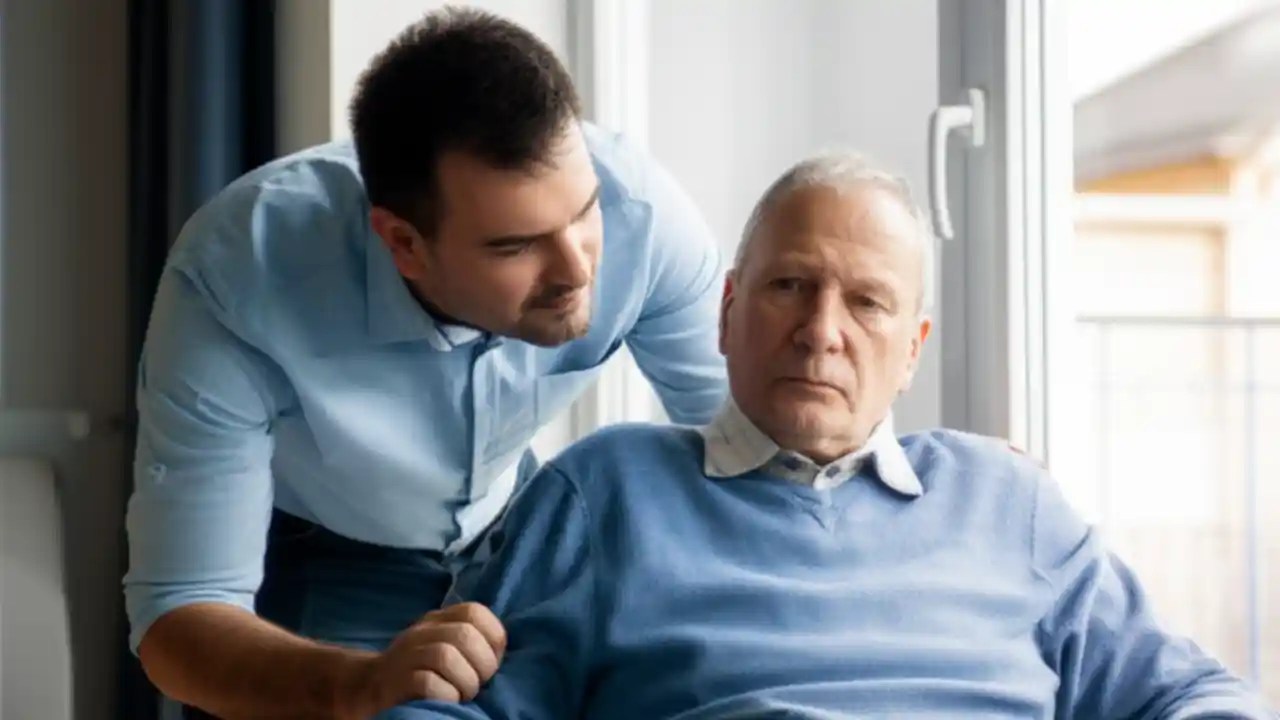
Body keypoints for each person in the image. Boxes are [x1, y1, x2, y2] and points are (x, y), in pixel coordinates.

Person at [391, 152, 1275, 719]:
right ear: (728, 313)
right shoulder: (604, 492)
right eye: (789, 287)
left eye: (867, 302)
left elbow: (1189, 693)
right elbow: (451, 707)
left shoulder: (1010, 504)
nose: (822, 331)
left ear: (912, 350)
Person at [123, 8, 727, 720]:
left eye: (584, 213)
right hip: (322, 559)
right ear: (404, 244)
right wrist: (361, 685)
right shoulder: (236, 276)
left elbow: (743, 449)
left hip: (520, 535)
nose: (578, 269)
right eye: (515, 246)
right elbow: (178, 618)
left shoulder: (642, 213)